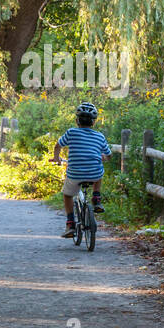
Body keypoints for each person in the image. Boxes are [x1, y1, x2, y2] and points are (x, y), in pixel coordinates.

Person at [50, 101, 111, 238]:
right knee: (99, 171)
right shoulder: (100, 136)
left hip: (75, 174)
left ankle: (70, 223)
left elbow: (57, 146)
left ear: (77, 120)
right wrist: (102, 158)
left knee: (67, 195)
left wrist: (56, 158)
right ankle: (96, 198)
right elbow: (108, 155)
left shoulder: (71, 132)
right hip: (94, 174)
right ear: (93, 122)